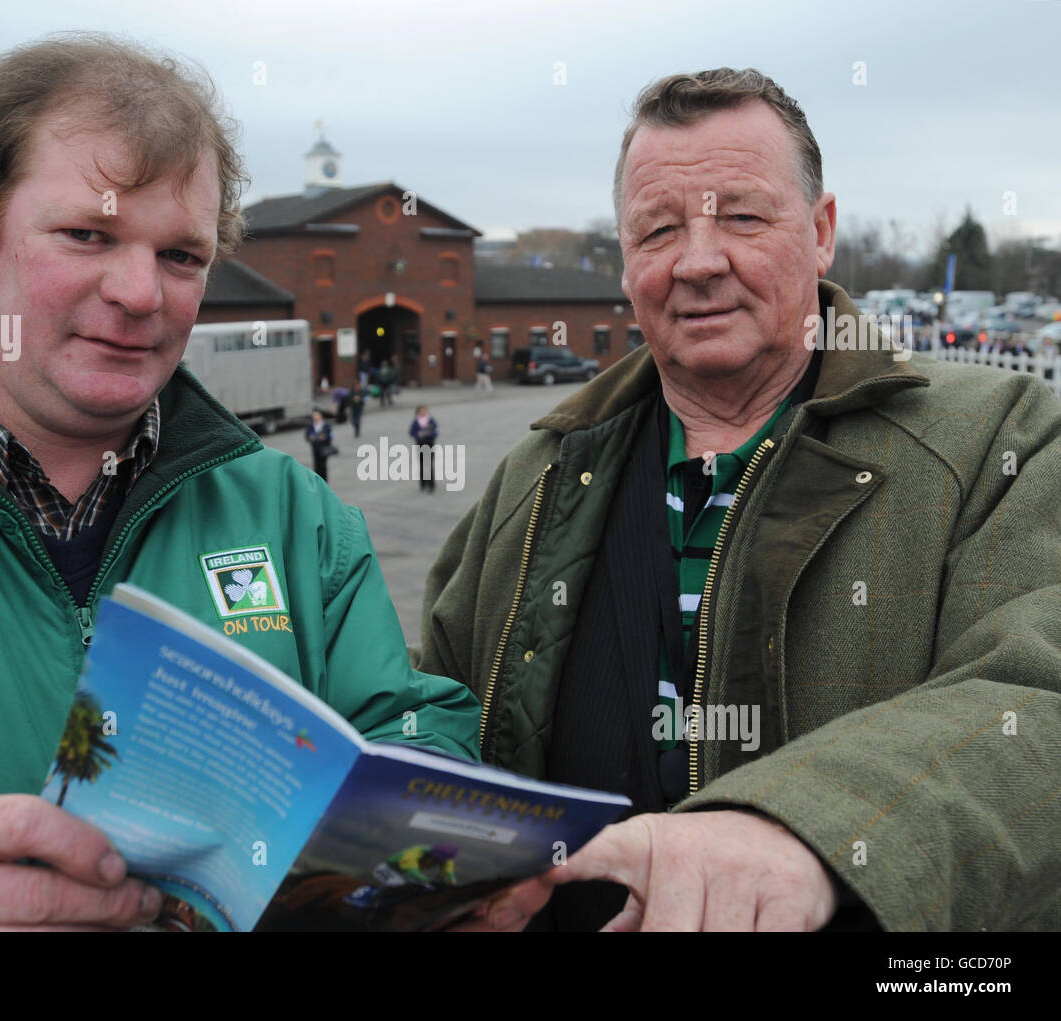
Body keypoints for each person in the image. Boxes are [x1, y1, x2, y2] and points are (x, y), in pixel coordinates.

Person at [0, 34, 479, 932]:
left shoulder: (295, 516)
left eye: (182, 255)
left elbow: (407, 731)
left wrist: (446, 847)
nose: (141, 292)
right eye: (87, 235)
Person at [417, 68, 1061, 932]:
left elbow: (1034, 698)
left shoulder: (1001, 441)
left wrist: (809, 829)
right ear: (625, 257)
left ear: (822, 232)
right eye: (658, 229)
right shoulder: (535, 476)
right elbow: (440, 703)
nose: (697, 261)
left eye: (744, 218)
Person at [409, 405, 439, 493]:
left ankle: (431, 485)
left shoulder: (430, 420)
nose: (423, 412)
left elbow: (436, 431)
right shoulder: (416, 421)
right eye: (421, 411)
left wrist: (429, 434)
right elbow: (411, 432)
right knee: (422, 465)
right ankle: (422, 484)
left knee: (429, 465)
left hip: (430, 445)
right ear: (418, 412)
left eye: (425, 411)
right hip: (420, 445)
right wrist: (418, 435)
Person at [305, 409, 335, 481]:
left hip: (324, 448)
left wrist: (324, 438)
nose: (315, 417)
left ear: (321, 416)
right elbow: (307, 436)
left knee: (323, 466)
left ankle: (324, 482)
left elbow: (330, 436)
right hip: (315, 448)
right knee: (316, 466)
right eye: (314, 415)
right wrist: (310, 438)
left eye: (317, 415)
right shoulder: (311, 426)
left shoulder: (325, 425)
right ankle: (318, 481)